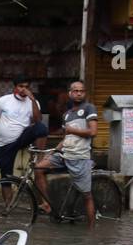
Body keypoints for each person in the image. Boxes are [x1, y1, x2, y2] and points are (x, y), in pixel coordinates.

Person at [34, 80, 99, 225]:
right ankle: (48, 205)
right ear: (70, 93)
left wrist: (72, 130)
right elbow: (66, 138)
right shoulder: (67, 115)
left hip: (80, 157)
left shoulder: (89, 108)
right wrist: (53, 151)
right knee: (38, 168)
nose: (79, 93)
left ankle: (92, 231)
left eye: (81, 91)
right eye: (75, 91)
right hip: (64, 155)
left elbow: (93, 132)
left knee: (87, 196)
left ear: (85, 93)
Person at [0, 77, 46, 180]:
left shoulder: (33, 102)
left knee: (41, 128)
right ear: (15, 87)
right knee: (6, 177)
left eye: (26, 87)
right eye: (21, 86)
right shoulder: (3, 100)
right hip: (4, 143)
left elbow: (38, 120)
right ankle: (9, 197)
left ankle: (40, 160)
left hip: (22, 139)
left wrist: (32, 99)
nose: (23, 89)